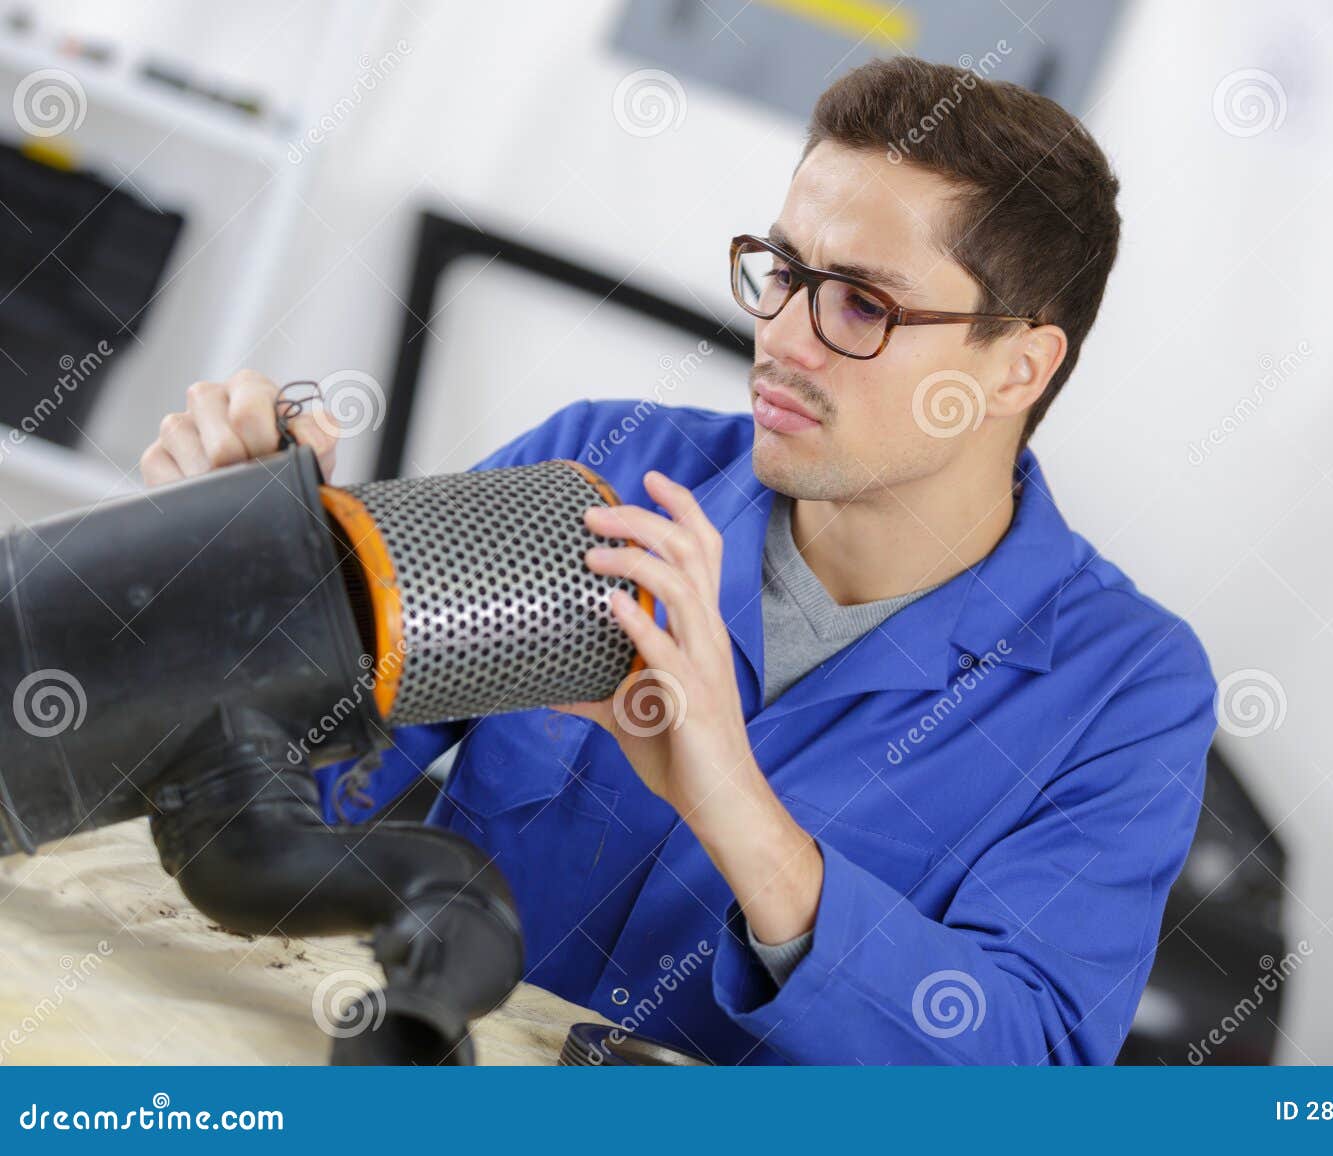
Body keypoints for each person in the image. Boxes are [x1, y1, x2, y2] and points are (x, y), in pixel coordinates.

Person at [140, 57, 1217, 1065]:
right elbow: (290, 791)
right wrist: (243, 574)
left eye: (861, 303)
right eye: (782, 271)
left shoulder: (1125, 691)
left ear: (1017, 365)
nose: (783, 337)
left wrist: (737, 809)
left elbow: (1018, 1065)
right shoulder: (599, 470)